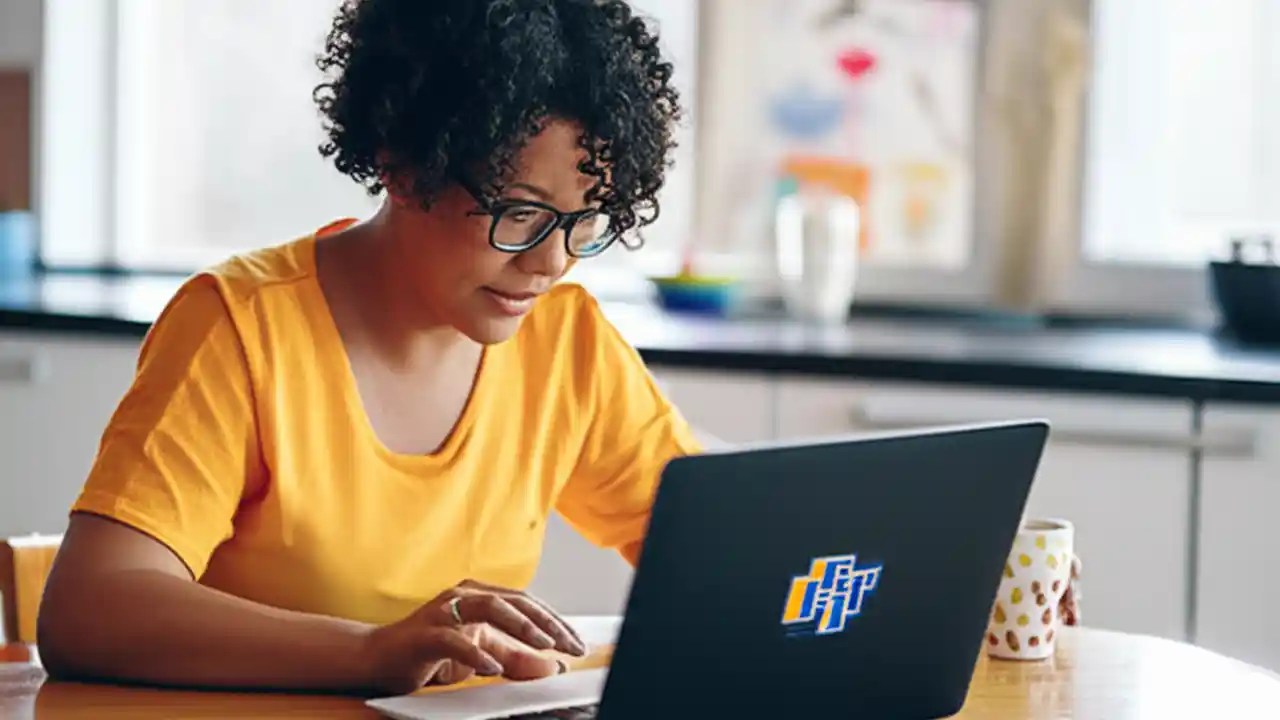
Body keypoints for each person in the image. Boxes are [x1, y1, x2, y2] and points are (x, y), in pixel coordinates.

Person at [37, 0, 698, 696]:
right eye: (521, 214)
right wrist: (371, 653)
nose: (552, 262)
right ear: (403, 166)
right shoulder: (242, 327)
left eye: (584, 222)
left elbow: (726, 544)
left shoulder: (565, 341)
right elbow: (90, 609)